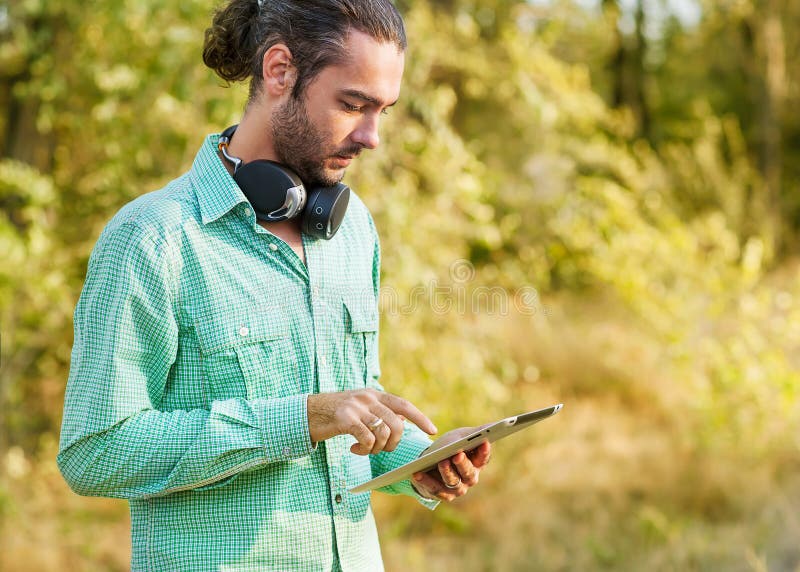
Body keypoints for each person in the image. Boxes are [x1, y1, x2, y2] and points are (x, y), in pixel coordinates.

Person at [57, 1, 491, 570]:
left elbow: (348, 423)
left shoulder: (353, 228)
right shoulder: (153, 239)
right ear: (280, 70)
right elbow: (95, 453)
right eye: (353, 104)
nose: (372, 136)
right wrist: (300, 417)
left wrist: (418, 463)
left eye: (383, 110)